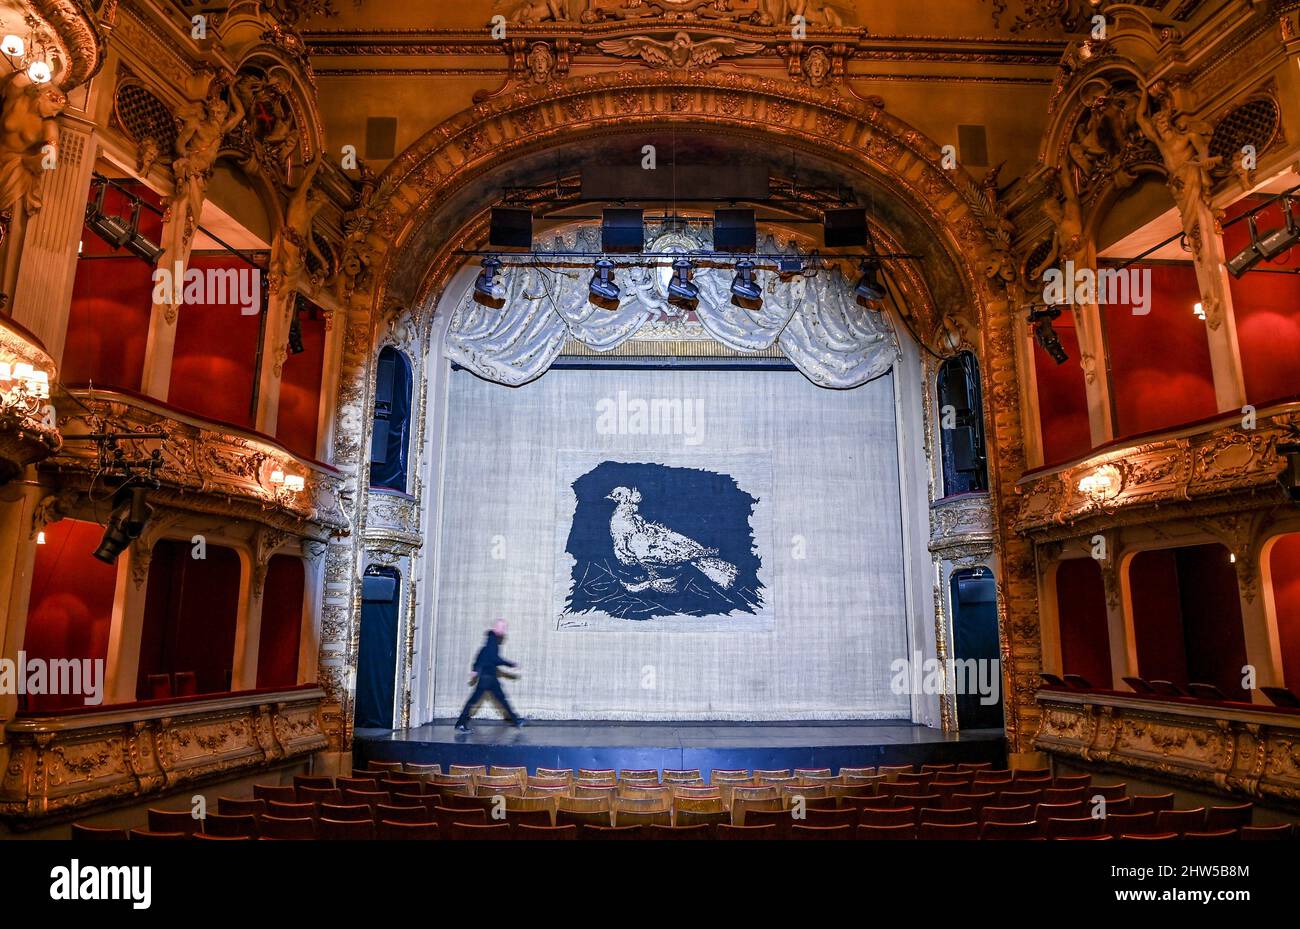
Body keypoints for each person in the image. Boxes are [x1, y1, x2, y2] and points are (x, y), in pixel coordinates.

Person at [455, 620, 524, 731]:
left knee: (500, 699)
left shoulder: (491, 640)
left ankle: (516, 720)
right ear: (496, 628)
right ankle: (460, 723)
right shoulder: (492, 640)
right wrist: (511, 664)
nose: (504, 630)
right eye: (502, 627)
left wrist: (475, 669)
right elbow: (494, 659)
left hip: (489, 677)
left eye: (505, 628)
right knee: (477, 701)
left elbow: (481, 654)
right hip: (487, 678)